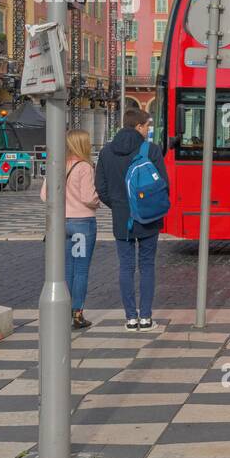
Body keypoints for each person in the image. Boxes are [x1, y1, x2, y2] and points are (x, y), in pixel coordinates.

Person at [96, 108, 169, 332]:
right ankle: (145, 317)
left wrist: (119, 206)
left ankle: (130, 317)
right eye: (147, 125)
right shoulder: (151, 150)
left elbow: (101, 188)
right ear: (137, 126)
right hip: (147, 217)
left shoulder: (106, 152)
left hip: (121, 219)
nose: (148, 130)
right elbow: (163, 185)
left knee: (125, 266)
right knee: (147, 266)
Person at [41, 129, 99, 330]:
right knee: (81, 270)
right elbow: (88, 197)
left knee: (67, 268)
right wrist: (97, 201)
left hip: (61, 224)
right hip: (82, 223)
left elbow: (44, 195)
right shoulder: (85, 167)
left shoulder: (56, 165)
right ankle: (77, 312)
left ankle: (63, 310)